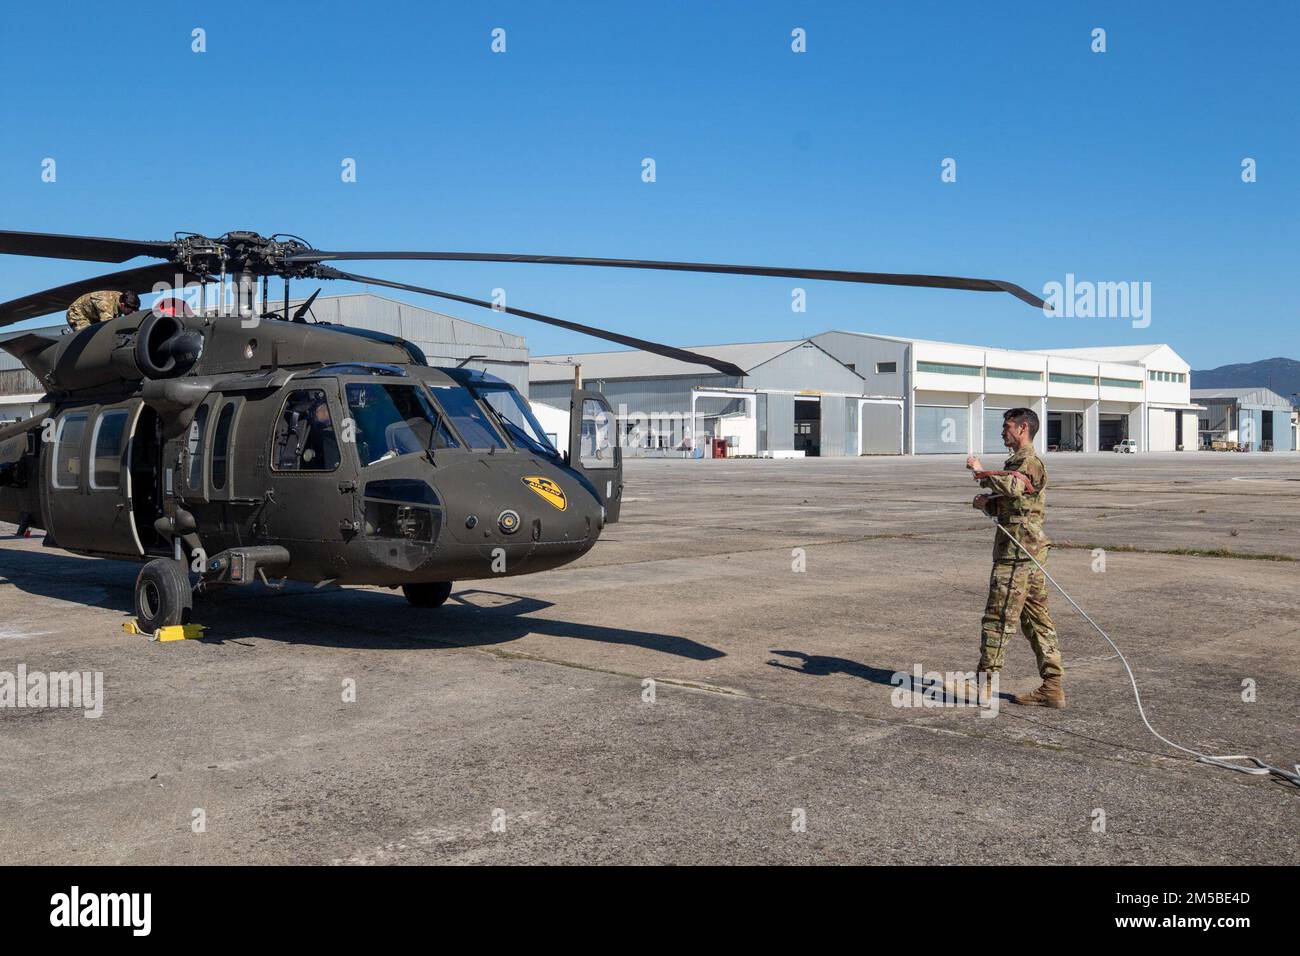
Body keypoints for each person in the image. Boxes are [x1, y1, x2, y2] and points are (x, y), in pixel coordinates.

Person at [964, 407, 1065, 708]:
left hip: (1017, 556)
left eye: (1007, 426)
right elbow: (1019, 508)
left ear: (1023, 428)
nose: (1002, 431)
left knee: (998, 619)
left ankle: (984, 685)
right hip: (1028, 553)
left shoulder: (1029, 462)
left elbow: (1016, 486)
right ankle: (1052, 686)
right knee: (1037, 622)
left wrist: (980, 471)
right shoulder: (1017, 463)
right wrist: (988, 505)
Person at [65, 290, 141, 332]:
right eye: (131, 311)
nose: (133, 313)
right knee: (88, 335)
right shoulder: (106, 306)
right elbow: (107, 328)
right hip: (77, 314)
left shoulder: (124, 298)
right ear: (122, 305)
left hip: (94, 314)